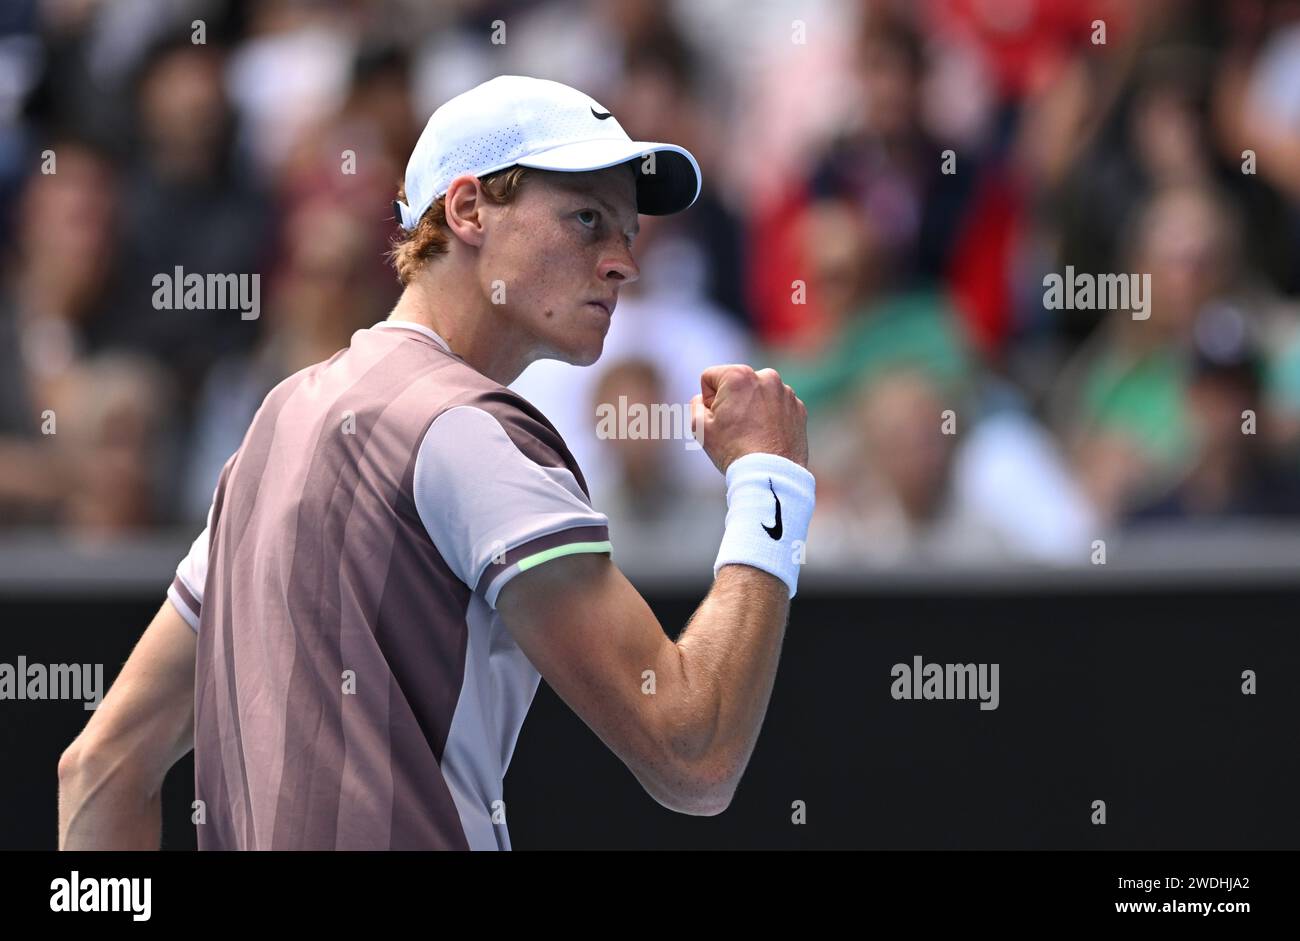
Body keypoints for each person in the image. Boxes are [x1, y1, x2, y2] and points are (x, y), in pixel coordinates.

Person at [56, 75, 815, 850]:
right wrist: (768, 479)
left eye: (629, 233)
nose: (622, 262)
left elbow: (98, 766)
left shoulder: (274, 427)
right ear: (466, 211)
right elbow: (695, 753)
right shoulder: (471, 432)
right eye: (587, 219)